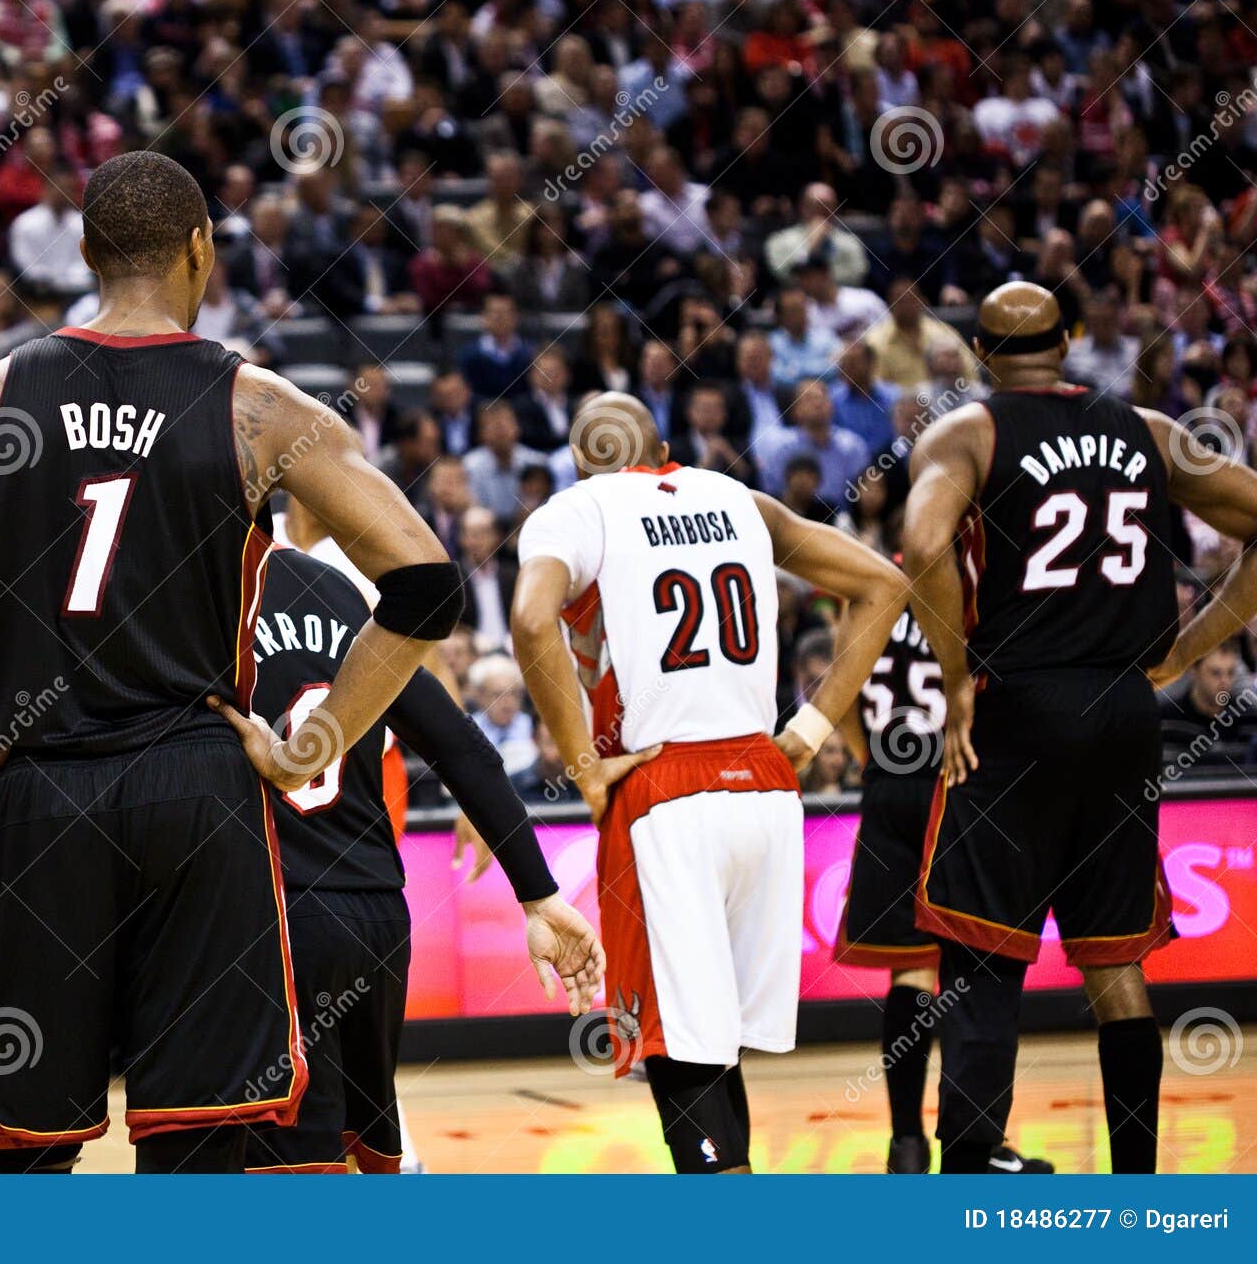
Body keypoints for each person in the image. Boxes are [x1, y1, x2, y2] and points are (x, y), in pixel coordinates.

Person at [0, 151, 481, 1175]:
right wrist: (309, 746)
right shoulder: (260, 409)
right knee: (197, 1143)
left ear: (83, 251)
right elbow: (428, 586)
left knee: (28, 1151)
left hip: (44, 799)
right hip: (198, 791)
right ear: (202, 251)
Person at [903, 281, 1257, 1174]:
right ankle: (1134, 1177)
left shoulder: (968, 431)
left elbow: (921, 542)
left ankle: (976, 1151)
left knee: (980, 939)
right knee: (1114, 953)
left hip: (1018, 704)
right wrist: (1186, 649)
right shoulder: (1148, 428)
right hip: (1125, 711)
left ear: (982, 355)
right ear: (1067, 341)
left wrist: (955, 682)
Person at [511, 392, 906, 1173]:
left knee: (673, 1044)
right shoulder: (738, 499)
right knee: (714, 1042)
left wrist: (585, 768)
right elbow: (884, 584)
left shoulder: (578, 510)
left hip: (666, 789)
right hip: (763, 779)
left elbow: (529, 622)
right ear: (666, 447)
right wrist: (814, 727)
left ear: (584, 460)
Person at [240, 546, 601, 1172]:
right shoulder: (340, 590)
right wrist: (538, 894)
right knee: (371, 1153)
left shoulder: (195, 593)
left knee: (285, 1164)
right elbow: (463, 747)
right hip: (376, 915)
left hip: (271, 915)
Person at [834, 599, 1054, 1175]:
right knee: (970, 967)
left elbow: (836, 687)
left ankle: (906, 1143)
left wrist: (873, 761)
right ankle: (979, 1146)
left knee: (909, 968)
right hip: (956, 779)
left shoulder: (866, 586)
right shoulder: (971, 586)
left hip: (889, 779)